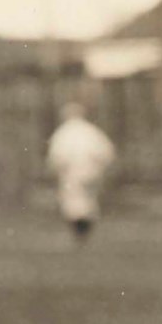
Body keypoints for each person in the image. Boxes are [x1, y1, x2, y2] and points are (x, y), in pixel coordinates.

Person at [46, 102, 117, 239]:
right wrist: (102, 168)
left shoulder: (63, 132)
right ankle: (86, 231)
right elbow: (107, 152)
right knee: (89, 201)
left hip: (72, 172)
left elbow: (56, 156)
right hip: (93, 171)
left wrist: (55, 170)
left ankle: (80, 232)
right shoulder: (92, 131)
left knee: (74, 202)